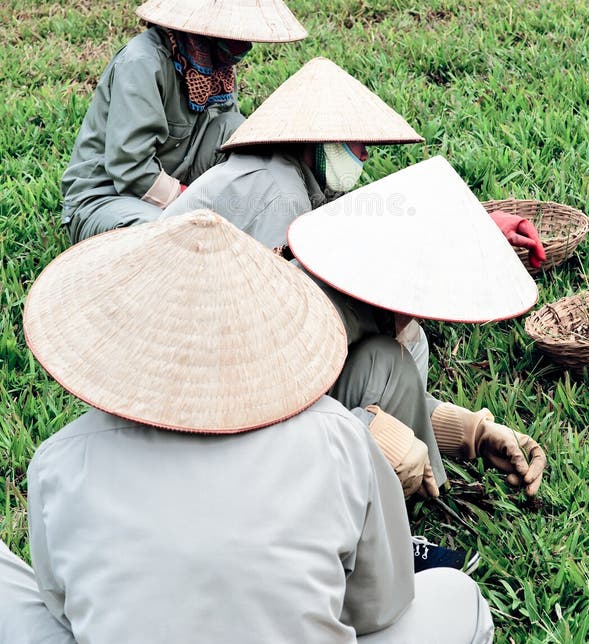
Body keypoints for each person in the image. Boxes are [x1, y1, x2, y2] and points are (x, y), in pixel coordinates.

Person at [1, 210, 494, 643]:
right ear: (265, 331)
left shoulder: (60, 458)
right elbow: (378, 607)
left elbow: (62, 607)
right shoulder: (337, 435)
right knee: (460, 598)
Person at [160, 57, 546, 503]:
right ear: (318, 139)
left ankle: (425, 502)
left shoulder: (307, 188)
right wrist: (367, 432)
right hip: (207, 400)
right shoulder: (278, 195)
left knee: (391, 357)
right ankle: (382, 513)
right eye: (358, 143)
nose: (364, 155)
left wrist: (473, 433)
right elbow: (262, 374)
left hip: (251, 374)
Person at [61, 0, 307, 244]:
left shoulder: (215, 67)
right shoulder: (142, 63)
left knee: (237, 131)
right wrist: (196, 207)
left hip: (179, 181)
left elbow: (224, 136)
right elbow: (130, 170)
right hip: (108, 198)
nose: (244, 46)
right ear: (207, 29)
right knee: (176, 240)